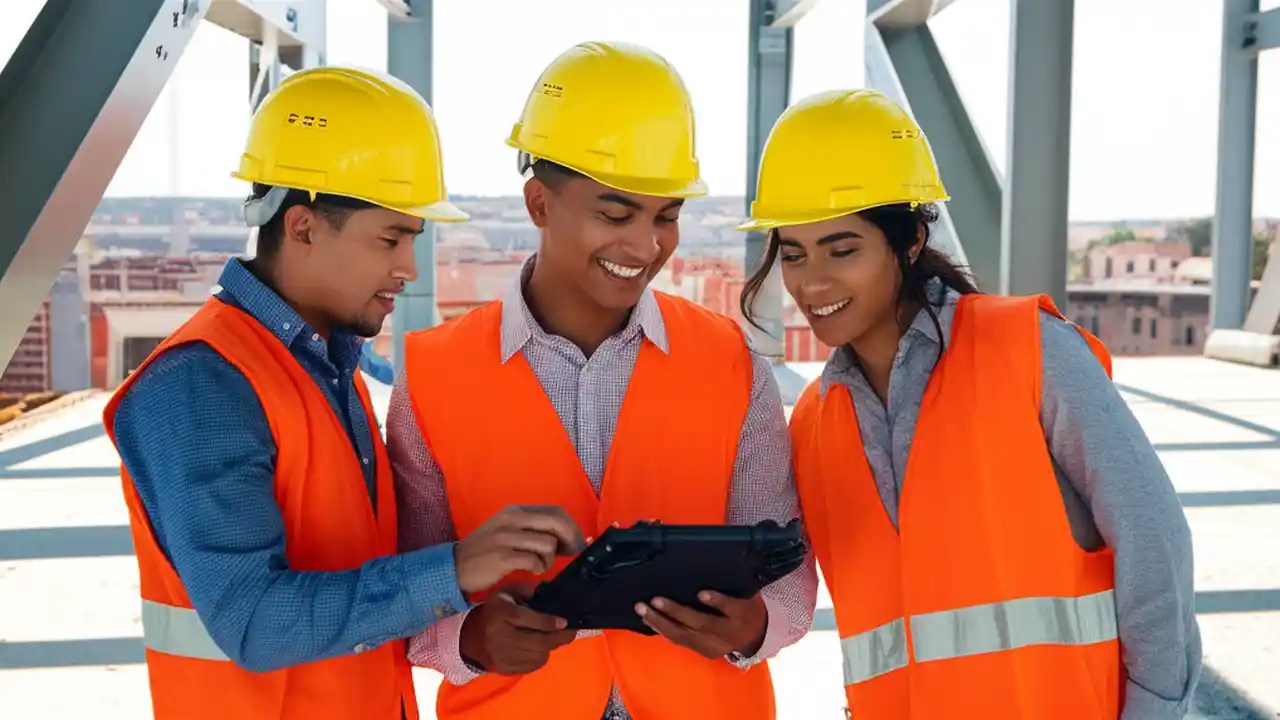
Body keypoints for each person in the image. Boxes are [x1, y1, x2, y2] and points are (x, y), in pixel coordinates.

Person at [103, 66, 584, 720]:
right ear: (302, 227)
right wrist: (454, 570)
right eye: (390, 238)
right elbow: (254, 622)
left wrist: (472, 617)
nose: (408, 268)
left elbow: (359, 585)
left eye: (413, 238)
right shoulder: (201, 384)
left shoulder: (326, 369)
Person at [738, 88, 1201, 719]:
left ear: (909, 241)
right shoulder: (816, 422)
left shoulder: (1030, 350)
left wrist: (1154, 711)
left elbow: (1153, 540)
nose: (812, 281)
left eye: (842, 250)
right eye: (793, 254)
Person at [389, 41, 817, 720]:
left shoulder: (729, 361)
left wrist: (752, 627)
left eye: (666, 216)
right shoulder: (433, 374)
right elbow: (405, 591)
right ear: (538, 202)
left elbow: (789, 575)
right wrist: (470, 639)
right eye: (616, 215)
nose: (646, 246)